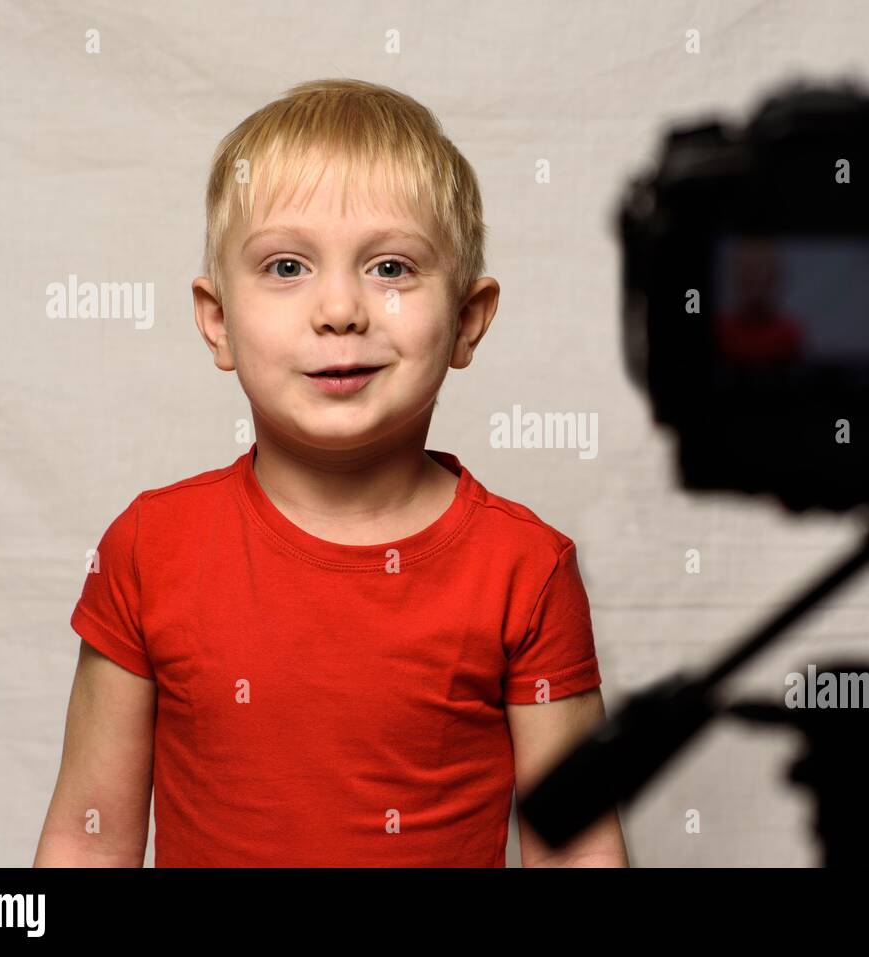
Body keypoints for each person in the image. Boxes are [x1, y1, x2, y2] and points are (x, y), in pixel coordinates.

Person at [34, 79, 628, 868]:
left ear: (467, 319)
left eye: (390, 267)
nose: (340, 307)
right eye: (287, 265)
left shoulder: (528, 569)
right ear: (218, 322)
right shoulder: (149, 548)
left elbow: (576, 847)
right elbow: (88, 838)